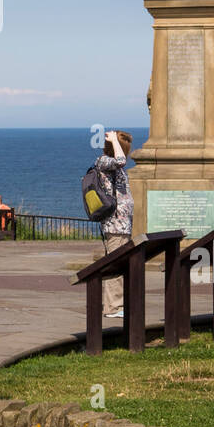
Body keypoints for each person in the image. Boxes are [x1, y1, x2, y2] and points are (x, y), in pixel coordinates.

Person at [94, 130, 134, 319]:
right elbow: (120, 160)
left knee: (120, 265)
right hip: (115, 224)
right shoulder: (104, 162)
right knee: (115, 265)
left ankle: (118, 304)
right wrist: (113, 141)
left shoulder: (115, 167)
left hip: (122, 225)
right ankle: (113, 307)